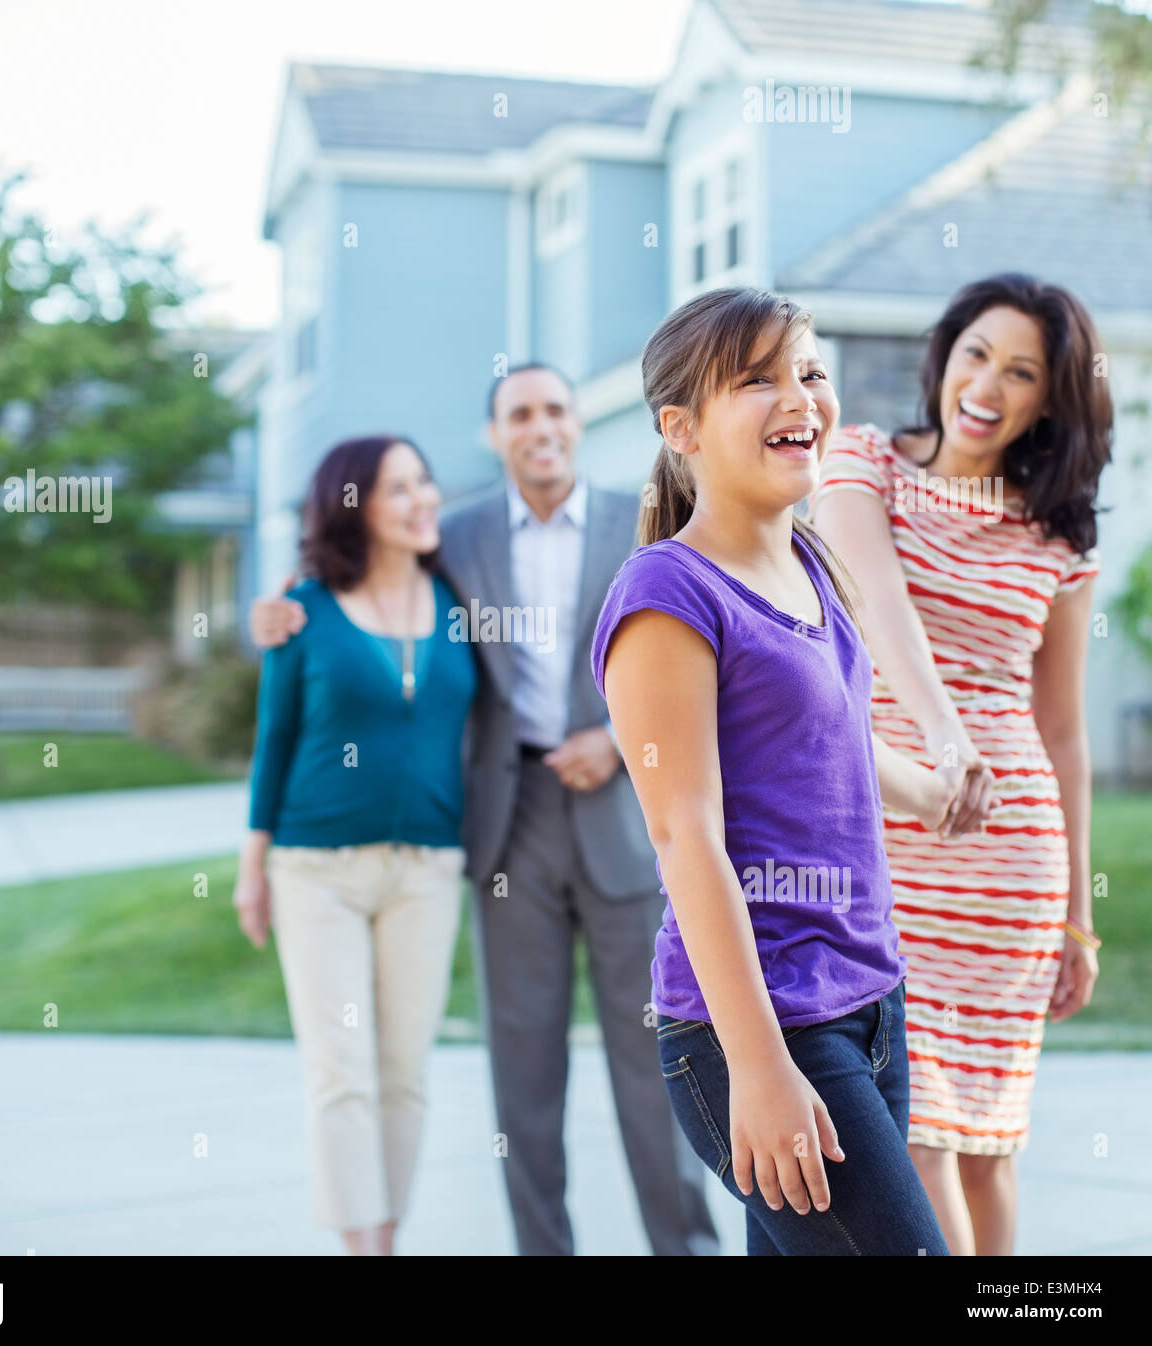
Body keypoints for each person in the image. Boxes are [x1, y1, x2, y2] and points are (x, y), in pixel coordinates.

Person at [250, 364, 719, 1257]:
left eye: (554, 410)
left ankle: (685, 1249)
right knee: (523, 1073)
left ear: (578, 424)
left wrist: (620, 741)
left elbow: (704, 653)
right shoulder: (453, 537)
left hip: (626, 810)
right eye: (518, 415)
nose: (539, 428)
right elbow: (347, 574)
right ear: (495, 436)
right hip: (510, 822)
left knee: (657, 1061)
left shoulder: (649, 521)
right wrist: (268, 613)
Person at [593, 285, 962, 1255]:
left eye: (808, 371)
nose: (798, 395)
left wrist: (931, 791)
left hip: (868, 1001)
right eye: (755, 378)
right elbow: (685, 834)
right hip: (758, 1028)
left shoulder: (806, 560)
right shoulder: (667, 592)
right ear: (681, 426)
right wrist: (756, 1066)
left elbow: (826, 736)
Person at [809, 273, 1110, 1256]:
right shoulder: (861, 461)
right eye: (976, 352)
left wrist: (1078, 914)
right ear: (944, 354)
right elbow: (880, 605)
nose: (987, 383)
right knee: (918, 1130)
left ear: (1047, 400)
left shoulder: (1055, 535)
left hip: (1009, 854)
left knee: (986, 1141)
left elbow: (1061, 730)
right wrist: (942, 740)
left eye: (1020, 371)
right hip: (892, 824)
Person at [233, 434, 477, 1256]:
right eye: (398, 490)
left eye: (424, 480)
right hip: (317, 870)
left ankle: (387, 1238)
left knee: (404, 1074)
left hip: (429, 870)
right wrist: (250, 869)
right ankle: (362, 1250)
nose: (422, 500)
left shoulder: (457, 601)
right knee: (342, 1072)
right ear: (355, 509)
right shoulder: (304, 610)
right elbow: (274, 741)